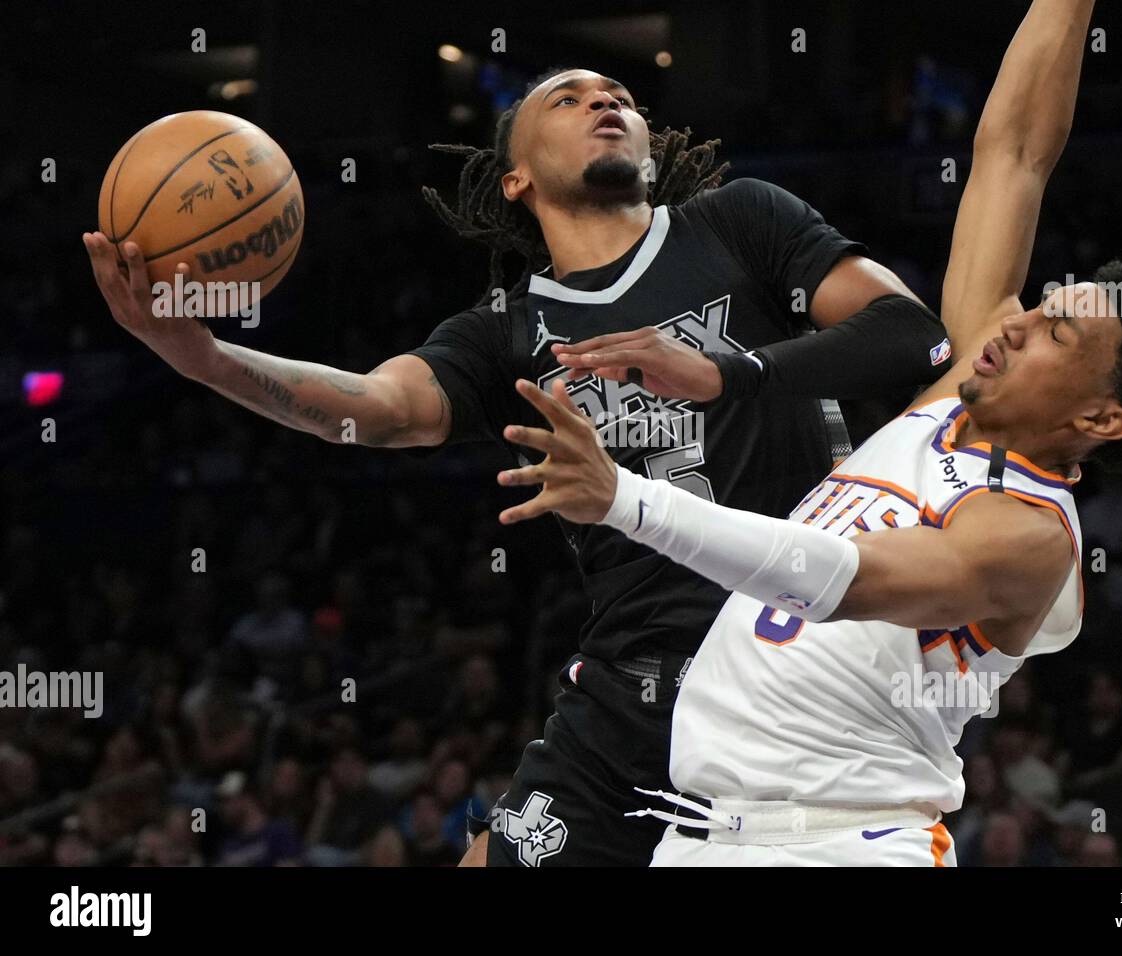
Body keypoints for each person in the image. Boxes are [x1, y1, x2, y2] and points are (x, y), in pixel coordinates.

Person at [83, 67, 952, 866]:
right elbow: (380, 412)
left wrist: (728, 370)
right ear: (516, 178)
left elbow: (913, 332)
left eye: (617, 95)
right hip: (638, 681)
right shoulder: (506, 331)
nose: (604, 102)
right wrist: (204, 360)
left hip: (795, 659)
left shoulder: (740, 223)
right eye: (566, 100)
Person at [491, 0, 1122, 865]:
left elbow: (835, 578)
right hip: (709, 830)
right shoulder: (951, 397)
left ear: (1100, 418)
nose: (1016, 324)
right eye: (1039, 305)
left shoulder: (1028, 536)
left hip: (846, 843)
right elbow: (1015, 155)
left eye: (1055, 334)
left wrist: (624, 500)